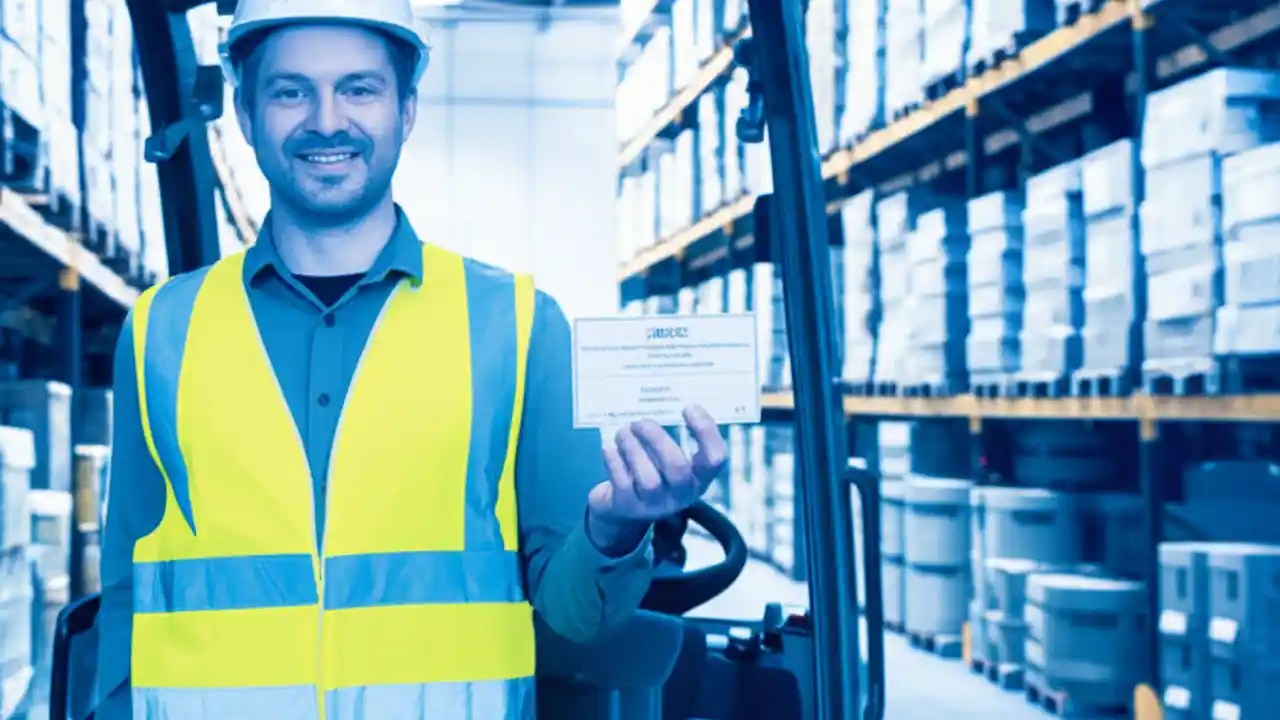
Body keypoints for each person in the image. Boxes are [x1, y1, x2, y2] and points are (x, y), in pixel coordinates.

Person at [94, 1, 728, 717]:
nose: (326, 120)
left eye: (359, 89)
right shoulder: (160, 329)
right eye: (290, 90)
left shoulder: (518, 326)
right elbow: (128, 593)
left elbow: (574, 614)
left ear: (407, 110)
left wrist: (616, 528)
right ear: (244, 113)